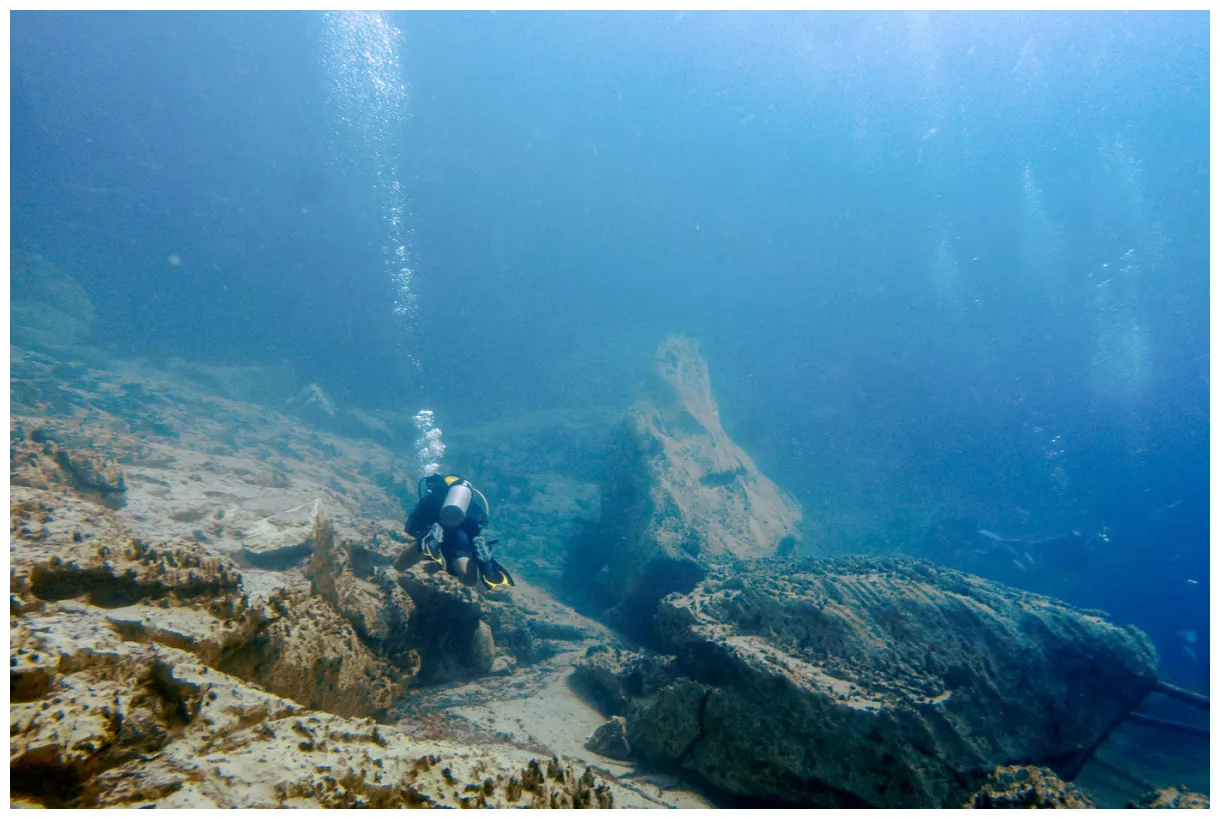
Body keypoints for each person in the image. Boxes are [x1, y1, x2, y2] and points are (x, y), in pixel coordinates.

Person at [395, 473, 514, 593]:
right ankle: (482, 563)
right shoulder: (468, 507)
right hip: (460, 535)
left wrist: (419, 540)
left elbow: (411, 528)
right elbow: (474, 532)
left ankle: (427, 540)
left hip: (435, 527)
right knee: (469, 579)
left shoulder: (432, 498)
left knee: (398, 566)